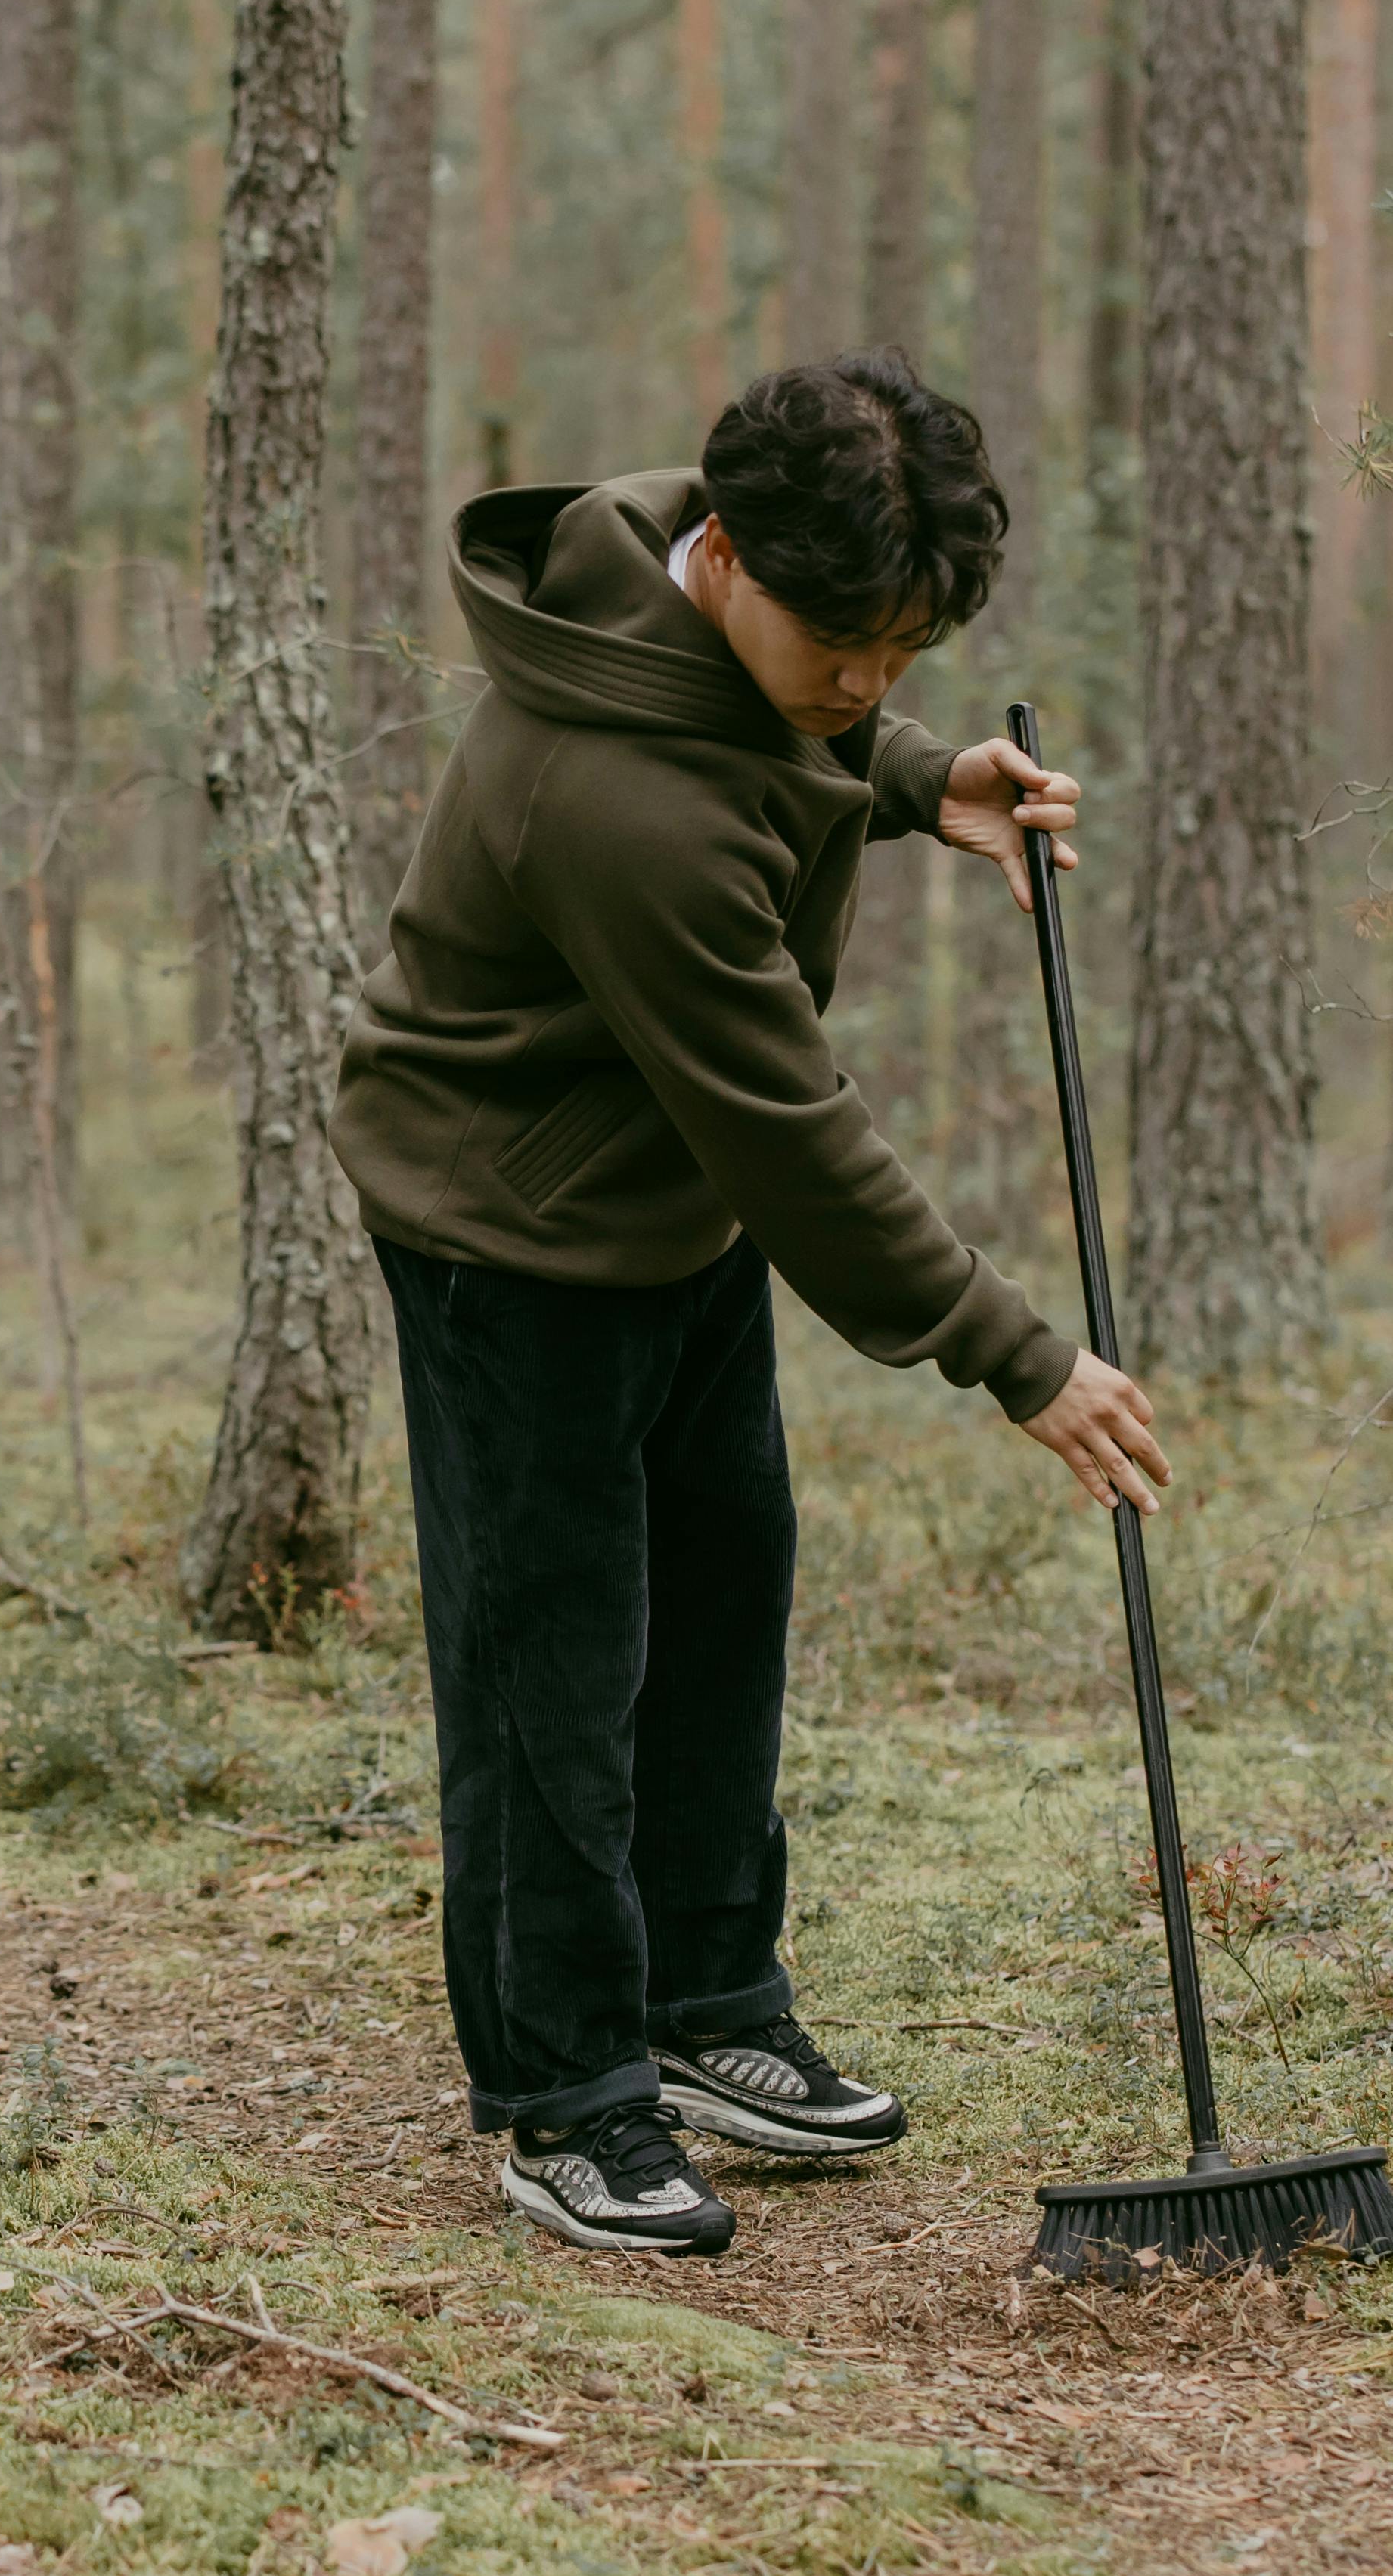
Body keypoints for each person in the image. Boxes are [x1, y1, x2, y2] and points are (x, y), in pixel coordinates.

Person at [334, 354, 1174, 2258]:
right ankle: (563, 2095)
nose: (874, 679)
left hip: (667, 1211)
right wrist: (1015, 1353)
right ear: (733, 557)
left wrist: (911, 772)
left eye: (908, 648)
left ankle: (708, 2007)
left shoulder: (684, 571)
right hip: (511, 1235)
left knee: (724, 1603)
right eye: (850, 645)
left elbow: (768, 720)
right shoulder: (618, 804)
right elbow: (792, 1124)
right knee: (553, 1672)